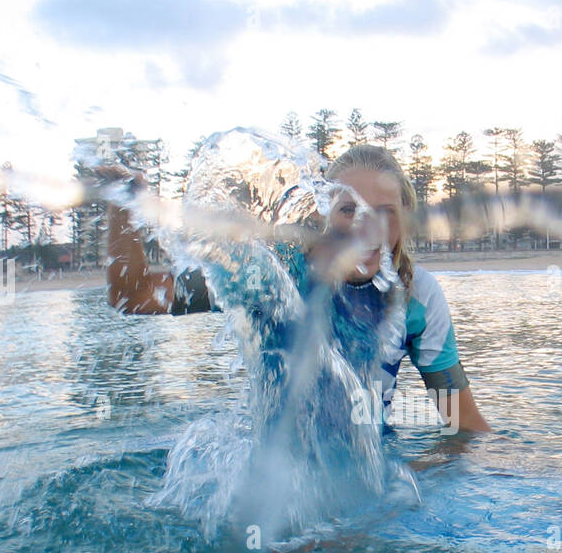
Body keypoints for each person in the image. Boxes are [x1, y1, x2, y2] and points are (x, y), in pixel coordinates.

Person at [101, 144, 490, 433]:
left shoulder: (417, 295)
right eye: (349, 209)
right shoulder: (273, 274)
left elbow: (467, 429)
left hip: (370, 469)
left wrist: (409, 486)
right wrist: (123, 204)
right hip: (277, 481)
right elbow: (131, 295)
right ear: (324, 214)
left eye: (385, 212)